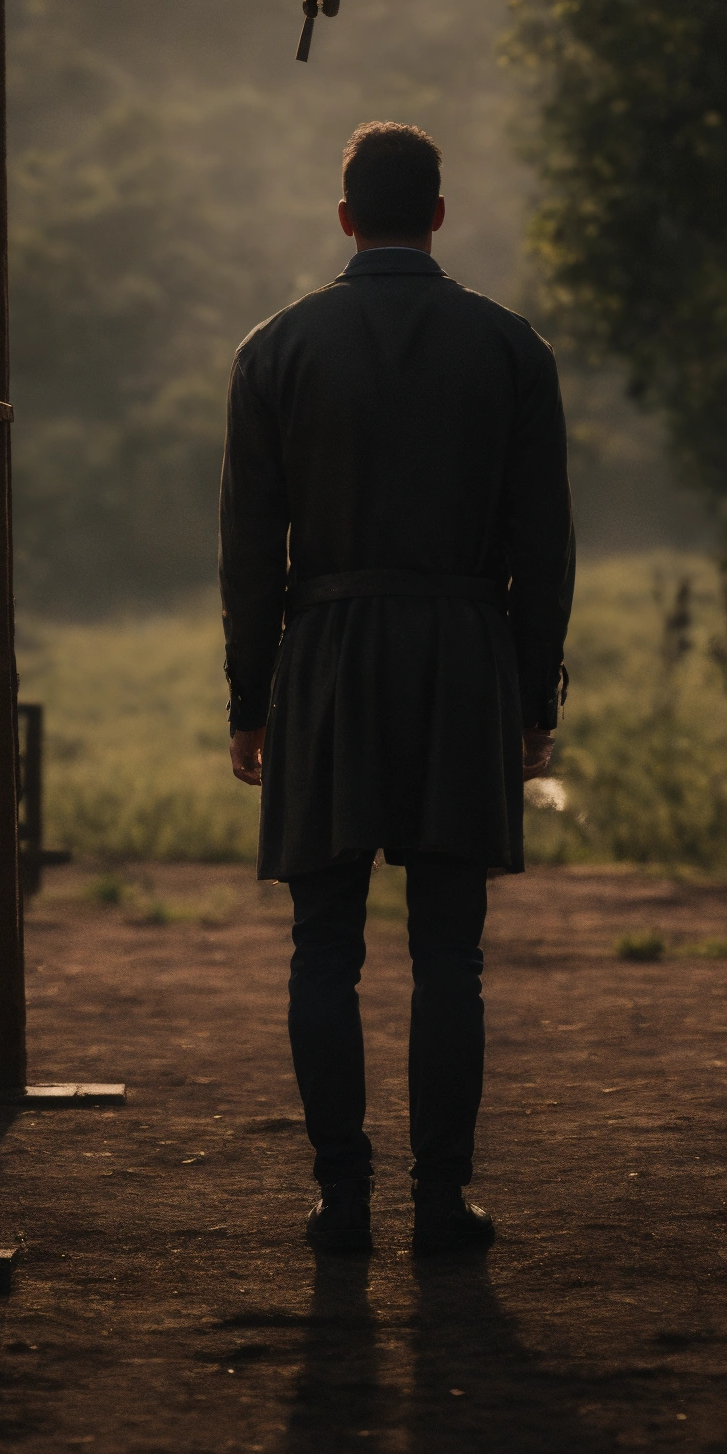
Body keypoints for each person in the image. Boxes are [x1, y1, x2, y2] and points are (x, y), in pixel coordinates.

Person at [218, 120, 575, 1256]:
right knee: (448, 952)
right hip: (462, 660)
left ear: (343, 219)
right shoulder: (510, 350)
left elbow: (247, 552)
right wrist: (531, 699)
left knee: (323, 945)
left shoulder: (274, 351)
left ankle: (340, 1200)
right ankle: (438, 1200)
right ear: (435, 213)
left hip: (323, 661)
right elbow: (545, 546)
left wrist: (249, 698)